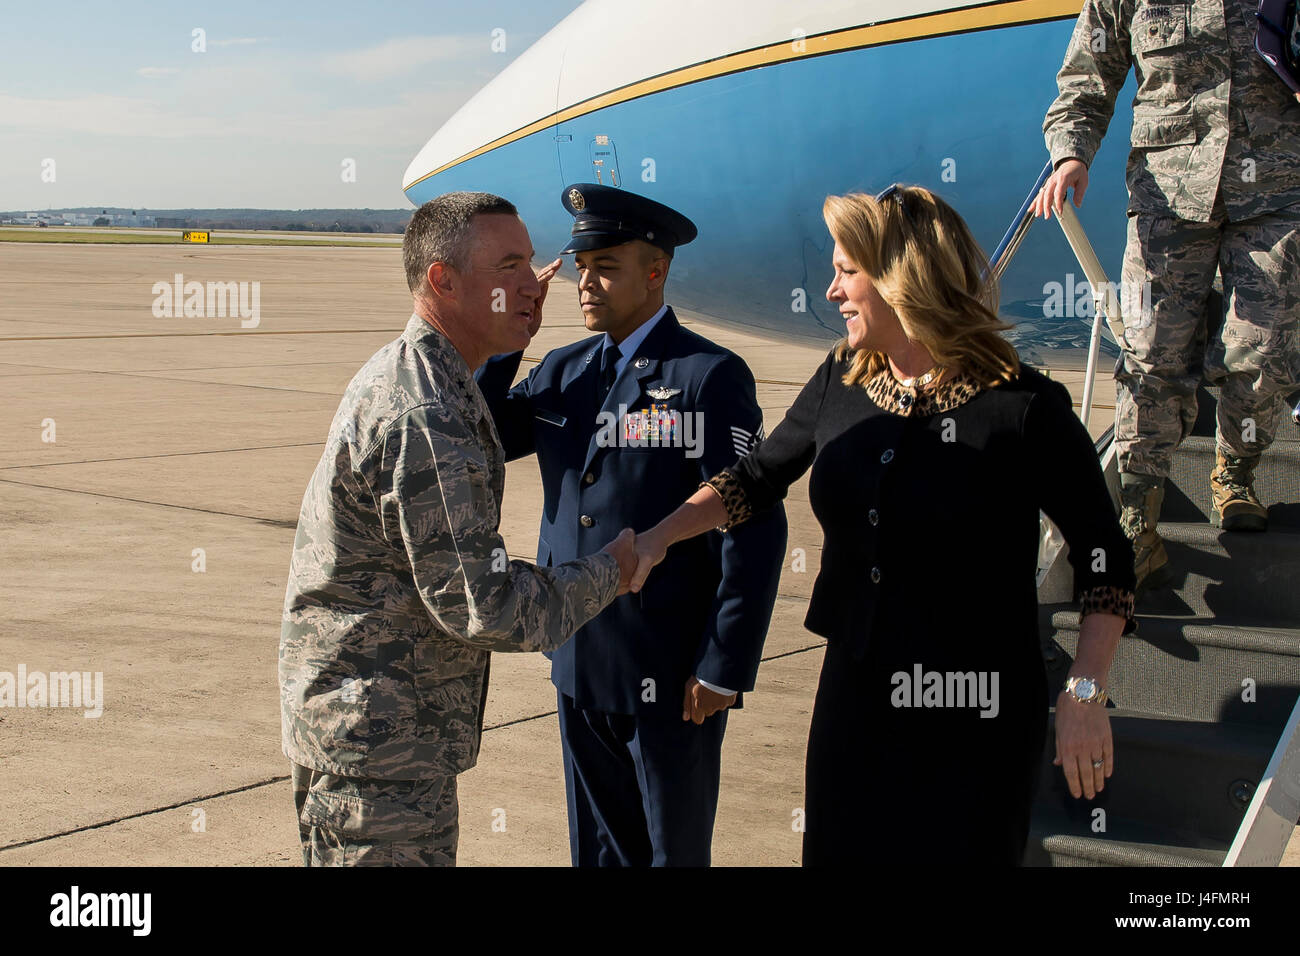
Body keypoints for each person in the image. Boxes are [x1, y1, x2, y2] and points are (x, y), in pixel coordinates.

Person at [629, 186, 1136, 865]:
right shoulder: (841, 377)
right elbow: (755, 480)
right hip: (858, 695)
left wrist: (1084, 691)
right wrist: (658, 536)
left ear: (902, 279)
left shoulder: (1024, 407)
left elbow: (1106, 558)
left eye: (846, 271)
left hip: (976, 709)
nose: (832, 290)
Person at [279, 192, 639, 867]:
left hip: (383, 739)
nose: (532, 286)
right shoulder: (427, 415)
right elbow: (485, 607)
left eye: (532, 264)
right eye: (508, 266)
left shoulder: (430, 378)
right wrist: (612, 570)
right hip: (377, 757)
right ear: (442, 280)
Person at [475, 183, 787, 866]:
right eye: (582, 267)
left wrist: (724, 664)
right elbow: (485, 431)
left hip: (672, 675)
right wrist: (511, 335)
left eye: (606, 267)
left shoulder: (707, 377)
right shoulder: (565, 370)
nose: (587, 282)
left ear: (656, 272)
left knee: (669, 853)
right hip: (579, 658)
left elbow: (754, 521)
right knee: (596, 851)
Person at [1034, 0, 1300, 591]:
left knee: (1265, 346)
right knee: (1150, 355)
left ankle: (1235, 468)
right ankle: (1138, 516)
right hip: (1168, 194)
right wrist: (1072, 152)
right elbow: (1087, 74)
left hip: (1275, 186)